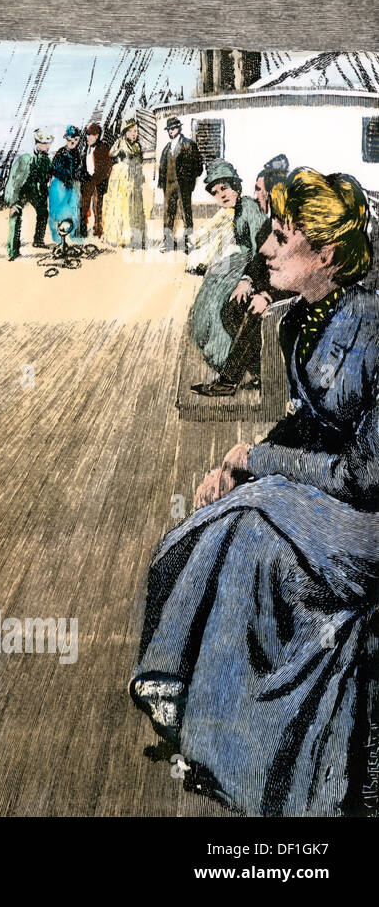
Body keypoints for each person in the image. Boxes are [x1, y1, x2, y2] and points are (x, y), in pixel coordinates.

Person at [131, 168, 377, 816]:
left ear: (326, 255)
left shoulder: (375, 330)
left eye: (282, 235)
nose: (266, 247)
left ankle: (221, 729)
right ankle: (205, 719)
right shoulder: (301, 323)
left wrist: (259, 463)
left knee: (250, 523)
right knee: (233, 514)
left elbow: (366, 474)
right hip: (335, 499)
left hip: (369, 515)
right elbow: (305, 423)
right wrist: (241, 464)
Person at [188, 161, 269, 395]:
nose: (220, 195)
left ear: (235, 186)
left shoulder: (250, 208)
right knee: (211, 300)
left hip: (259, 269)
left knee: (226, 307)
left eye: (224, 188)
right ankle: (251, 371)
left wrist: (247, 279)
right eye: (215, 193)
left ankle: (232, 375)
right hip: (245, 265)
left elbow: (260, 250)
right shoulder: (238, 210)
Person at [3, 128, 53, 260]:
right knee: (15, 215)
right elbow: (14, 181)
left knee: (43, 212)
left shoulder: (46, 160)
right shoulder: (26, 159)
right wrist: (13, 201)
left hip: (36, 192)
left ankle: (38, 240)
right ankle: (13, 251)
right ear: (37, 143)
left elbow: (47, 177)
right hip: (21, 191)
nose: (47, 146)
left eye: (48, 143)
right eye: (44, 143)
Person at [158, 115, 204, 254]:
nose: (171, 131)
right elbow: (162, 167)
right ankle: (167, 241)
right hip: (169, 185)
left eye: (173, 128)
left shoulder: (188, 144)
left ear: (179, 128)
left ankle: (188, 242)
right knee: (168, 213)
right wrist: (163, 184)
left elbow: (198, 166)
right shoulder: (167, 148)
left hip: (183, 186)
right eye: (169, 129)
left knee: (186, 212)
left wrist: (190, 181)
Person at [101, 118, 147, 249]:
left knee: (134, 207)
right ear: (125, 132)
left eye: (135, 131)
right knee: (122, 205)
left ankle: (135, 237)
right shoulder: (120, 143)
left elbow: (140, 160)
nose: (134, 134)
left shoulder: (137, 146)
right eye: (131, 131)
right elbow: (111, 153)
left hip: (134, 176)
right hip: (121, 176)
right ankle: (121, 237)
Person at [48, 125, 86, 244]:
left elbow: (79, 169)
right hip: (61, 186)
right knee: (59, 213)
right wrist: (66, 177)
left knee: (74, 211)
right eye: (70, 140)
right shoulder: (61, 153)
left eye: (75, 140)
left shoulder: (77, 154)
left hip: (73, 186)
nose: (73, 143)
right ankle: (59, 239)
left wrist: (78, 177)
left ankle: (74, 237)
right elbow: (55, 169)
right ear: (67, 139)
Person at [79, 122, 112, 239]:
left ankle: (98, 229)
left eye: (91, 135)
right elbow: (83, 165)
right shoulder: (86, 149)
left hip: (98, 181)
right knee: (83, 204)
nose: (88, 138)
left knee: (98, 206)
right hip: (88, 180)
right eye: (87, 135)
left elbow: (106, 168)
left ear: (97, 136)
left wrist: (97, 179)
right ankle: (82, 229)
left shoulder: (102, 148)